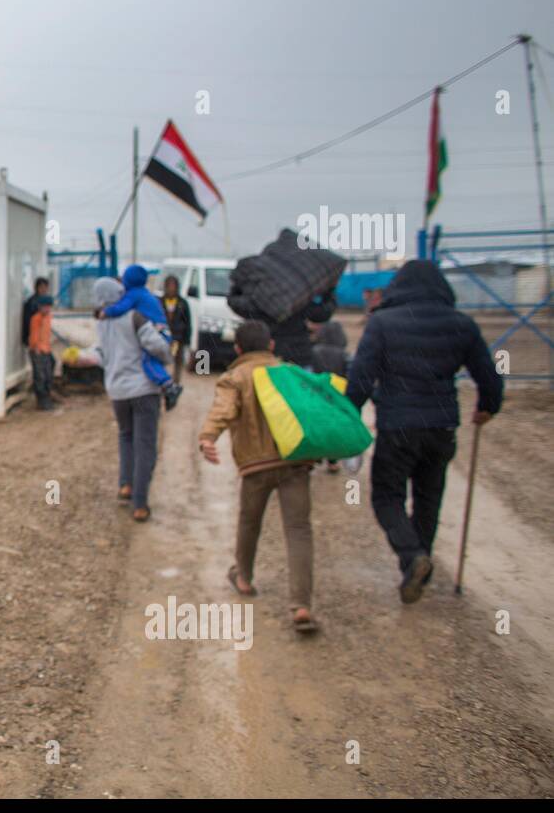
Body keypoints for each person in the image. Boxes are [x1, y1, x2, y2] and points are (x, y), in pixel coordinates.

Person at [345, 259, 503, 604]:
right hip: (441, 427)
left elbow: (360, 377)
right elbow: (488, 376)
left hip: (397, 426)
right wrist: (488, 406)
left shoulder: (382, 323)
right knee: (428, 499)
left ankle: (411, 556)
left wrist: (348, 414)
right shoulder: (462, 324)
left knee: (387, 496)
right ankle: (418, 567)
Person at [198, 320, 317, 632]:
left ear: (238, 348)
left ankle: (244, 577)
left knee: (249, 522)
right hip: (294, 463)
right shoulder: (289, 372)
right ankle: (301, 605)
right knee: (298, 530)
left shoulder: (234, 377)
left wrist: (208, 438)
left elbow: (222, 410)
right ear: (271, 345)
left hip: (255, 467)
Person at [93, 277, 170, 521]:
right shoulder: (135, 317)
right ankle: (140, 503)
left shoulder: (102, 322)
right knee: (145, 445)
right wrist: (166, 353)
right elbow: (159, 347)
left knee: (126, 437)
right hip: (143, 389)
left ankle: (126, 484)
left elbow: (101, 355)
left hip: (118, 392)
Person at [227, 228, 337, 367]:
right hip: (299, 360)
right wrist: (329, 290)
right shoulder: (299, 301)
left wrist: (238, 284)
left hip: (266, 363)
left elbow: (234, 302)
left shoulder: (256, 303)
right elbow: (323, 314)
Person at [95, 264, 183, 410]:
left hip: (158, 332)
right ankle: (167, 386)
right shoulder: (145, 294)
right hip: (163, 330)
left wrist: (106, 312)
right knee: (151, 359)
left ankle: (168, 385)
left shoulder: (134, 295)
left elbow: (121, 307)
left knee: (148, 360)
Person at [310, 319, 350, 472]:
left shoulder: (314, 351)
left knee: (316, 426)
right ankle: (333, 461)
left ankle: (314, 456)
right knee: (334, 428)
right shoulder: (343, 354)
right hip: (336, 397)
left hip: (317, 395)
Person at [27, 294, 60, 410]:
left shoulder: (48, 317)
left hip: (46, 349)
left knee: (48, 374)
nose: (47, 309)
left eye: (48, 307)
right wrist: (36, 348)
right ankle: (42, 400)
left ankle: (47, 396)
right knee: (40, 376)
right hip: (38, 350)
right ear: (39, 307)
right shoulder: (36, 318)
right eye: (45, 307)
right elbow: (34, 335)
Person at [161, 274, 193, 385]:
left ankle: (175, 383)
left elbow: (188, 322)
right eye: (169, 286)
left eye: (173, 286)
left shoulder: (182, 303)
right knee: (163, 361)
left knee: (178, 362)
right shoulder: (160, 302)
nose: (171, 289)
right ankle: (164, 381)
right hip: (163, 339)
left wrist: (187, 339)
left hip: (178, 338)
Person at [22, 276, 50, 347]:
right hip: (33, 338)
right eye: (41, 287)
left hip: (40, 338)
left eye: (45, 287)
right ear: (36, 288)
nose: (44, 289)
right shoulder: (32, 302)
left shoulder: (42, 301)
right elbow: (28, 322)